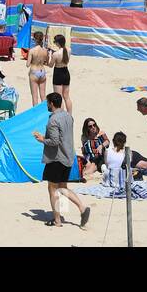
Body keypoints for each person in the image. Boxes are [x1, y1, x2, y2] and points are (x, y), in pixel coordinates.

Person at [33, 93, 90, 228]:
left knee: (53, 188)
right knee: (63, 187)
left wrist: (42, 139)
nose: (47, 105)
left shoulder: (53, 120)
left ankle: (60, 219)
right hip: (68, 156)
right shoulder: (68, 117)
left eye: (47, 103)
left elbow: (54, 141)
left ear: (52, 103)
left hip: (56, 159)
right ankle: (76, 210)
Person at [27, 30, 50, 106]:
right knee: (43, 95)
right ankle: (44, 112)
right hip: (42, 71)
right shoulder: (45, 51)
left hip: (34, 71)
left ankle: (35, 115)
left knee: (34, 96)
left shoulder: (32, 50)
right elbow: (46, 62)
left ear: (34, 39)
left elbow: (28, 64)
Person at [50, 34, 71, 111]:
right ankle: (69, 114)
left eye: (55, 41)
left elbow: (50, 65)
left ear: (58, 43)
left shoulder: (56, 54)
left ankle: (61, 115)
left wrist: (48, 58)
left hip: (58, 73)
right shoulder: (69, 50)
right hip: (66, 72)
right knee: (67, 97)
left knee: (59, 97)